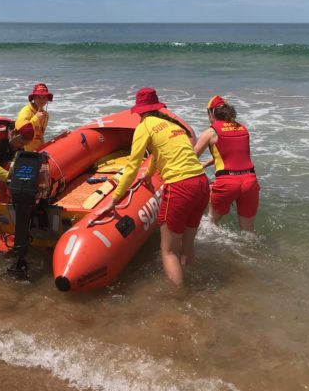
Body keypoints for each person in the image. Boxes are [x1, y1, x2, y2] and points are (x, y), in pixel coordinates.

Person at [95, 88, 209, 288]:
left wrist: (113, 201)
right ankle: (194, 285)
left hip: (179, 186)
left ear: (139, 111)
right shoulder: (172, 125)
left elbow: (132, 166)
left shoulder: (145, 126)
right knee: (187, 244)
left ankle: (180, 302)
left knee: (168, 251)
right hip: (201, 183)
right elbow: (159, 154)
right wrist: (149, 176)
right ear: (157, 107)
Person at [194, 95, 260, 232]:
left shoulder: (211, 132)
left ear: (211, 113)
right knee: (248, 232)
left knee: (211, 225)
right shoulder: (242, 128)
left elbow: (190, 157)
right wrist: (206, 163)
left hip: (227, 183)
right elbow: (233, 154)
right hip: (250, 181)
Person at [16, 82, 53, 151]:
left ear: (47, 99)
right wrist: (36, 118)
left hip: (37, 150)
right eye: (38, 97)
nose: (41, 100)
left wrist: (43, 148)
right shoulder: (26, 111)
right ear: (33, 98)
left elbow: (40, 135)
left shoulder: (46, 115)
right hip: (25, 151)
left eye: (44, 97)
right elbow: (21, 132)